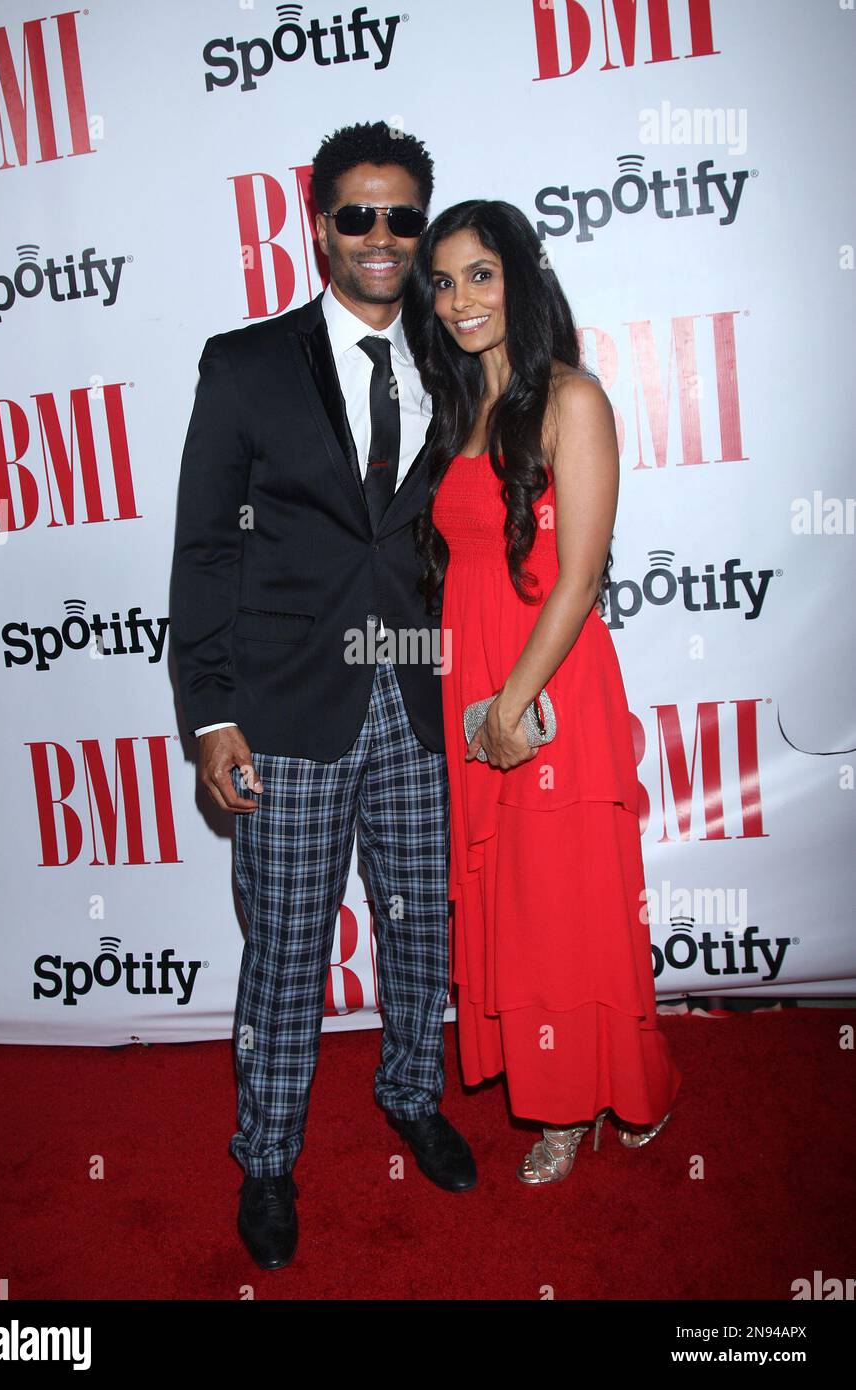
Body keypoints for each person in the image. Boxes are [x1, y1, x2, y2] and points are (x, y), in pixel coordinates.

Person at [168, 122, 475, 1271]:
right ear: (319, 226)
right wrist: (210, 712)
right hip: (286, 710)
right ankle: (266, 1156)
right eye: (358, 215)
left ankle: (410, 1091)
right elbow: (206, 549)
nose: (381, 238)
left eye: (402, 217)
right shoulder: (243, 363)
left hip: (417, 697)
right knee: (288, 946)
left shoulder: (455, 362)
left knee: (419, 925)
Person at [402, 200, 682, 1185]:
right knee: (514, 907)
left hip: (547, 681)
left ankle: (596, 1098)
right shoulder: (458, 408)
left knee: (569, 902)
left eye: (480, 273)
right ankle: (557, 1093)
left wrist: (511, 705)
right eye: (442, 281)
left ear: (521, 277)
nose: (459, 298)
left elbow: (579, 574)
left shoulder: (574, 398)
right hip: (473, 676)